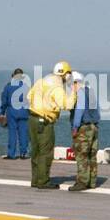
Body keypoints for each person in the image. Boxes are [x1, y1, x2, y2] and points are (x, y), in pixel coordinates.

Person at [26, 61, 74, 189]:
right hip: (44, 122)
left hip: (32, 119)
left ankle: (35, 180)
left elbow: (28, 95)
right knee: (46, 152)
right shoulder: (57, 86)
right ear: (66, 74)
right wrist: (74, 92)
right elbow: (67, 105)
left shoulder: (42, 81)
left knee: (35, 151)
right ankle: (43, 181)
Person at [68, 71, 101, 191]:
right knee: (92, 155)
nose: (71, 87)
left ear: (76, 82)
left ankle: (82, 182)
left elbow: (80, 109)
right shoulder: (91, 91)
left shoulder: (80, 92)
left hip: (84, 128)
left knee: (81, 155)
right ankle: (92, 182)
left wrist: (75, 127)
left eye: (72, 84)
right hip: (94, 127)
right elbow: (98, 109)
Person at [0, 68, 29, 159]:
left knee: (12, 133)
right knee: (23, 133)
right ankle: (23, 153)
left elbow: (4, 101)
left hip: (12, 111)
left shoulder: (8, 87)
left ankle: (11, 154)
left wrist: (2, 112)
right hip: (23, 111)